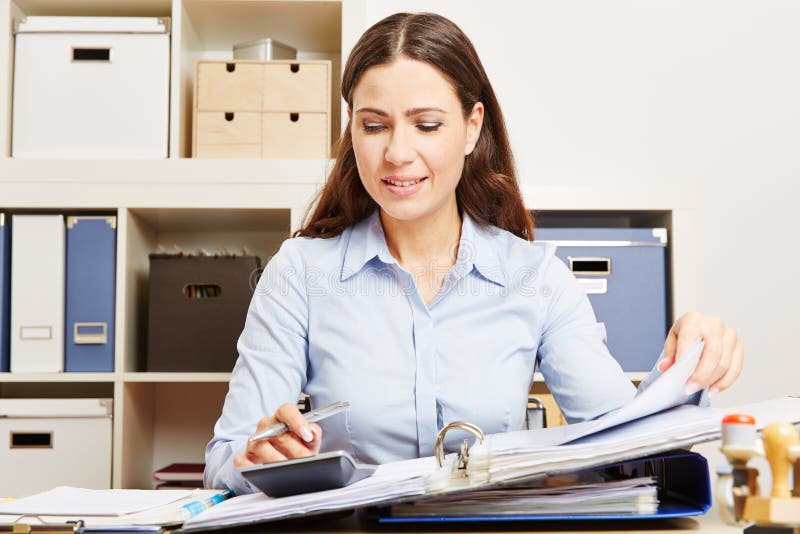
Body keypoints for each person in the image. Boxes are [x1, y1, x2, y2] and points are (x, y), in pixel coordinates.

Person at [205, 12, 743, 495]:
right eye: (373, 126)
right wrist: (258, 457)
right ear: (353, 130)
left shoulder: (535, 278)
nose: (396, 153)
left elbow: (621, 441)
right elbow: (224, 459)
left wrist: (686, 367)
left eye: (427, 125)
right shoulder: (299, 273)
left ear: (471, 126)